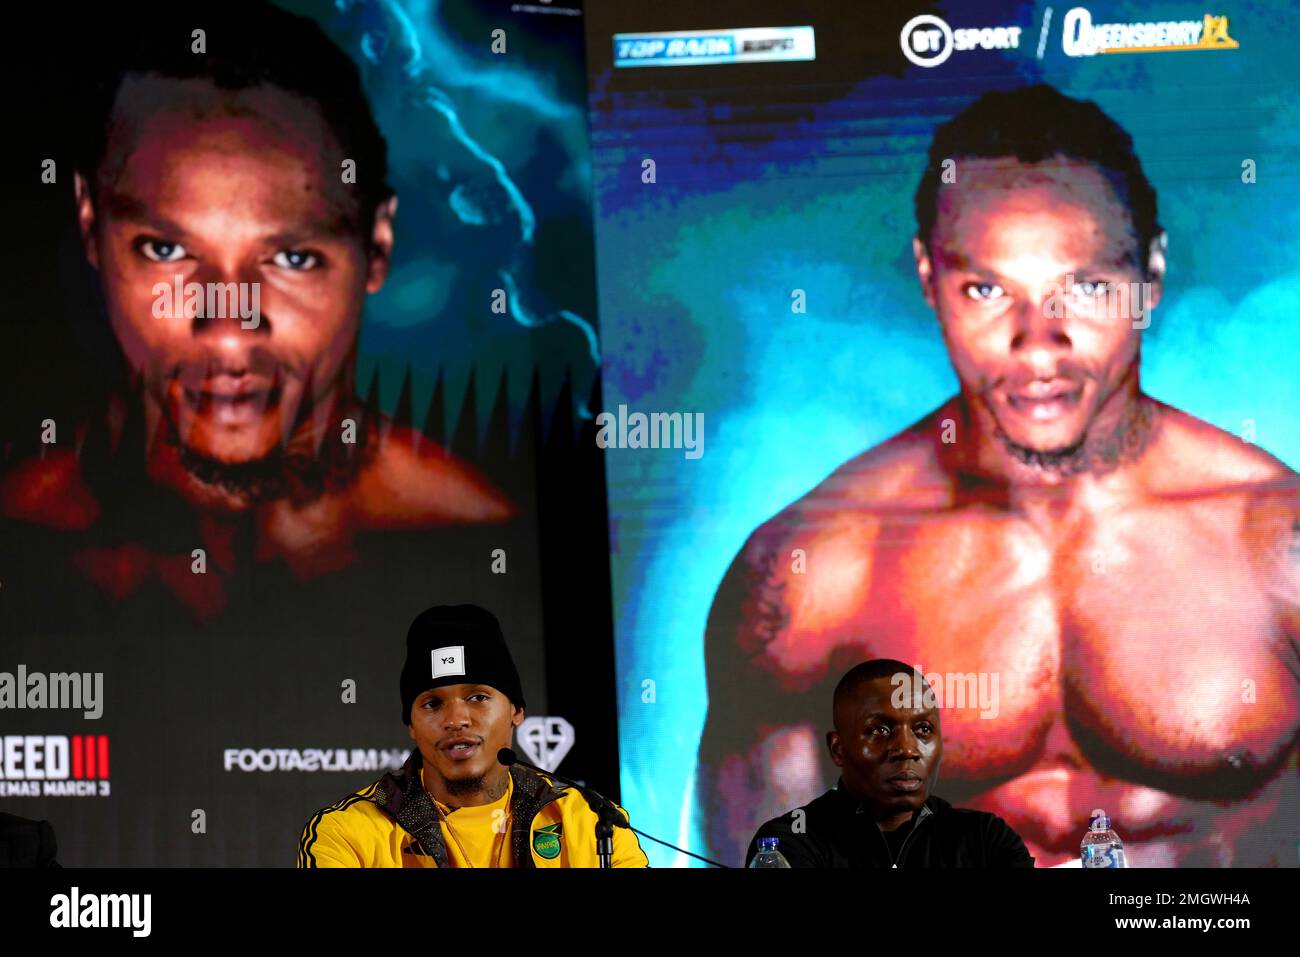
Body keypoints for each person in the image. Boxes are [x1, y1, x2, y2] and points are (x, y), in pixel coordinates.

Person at [702, 84, 1300, 867]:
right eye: (987, 290)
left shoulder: (1278, 542)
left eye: (1084, 288)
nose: (1037, 344)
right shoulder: (813, 569)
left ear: (1151, 274)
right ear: (926, 275)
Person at [1, 2, 512, 621]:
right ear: (90, 226)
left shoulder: (480, 542)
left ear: (376, 246)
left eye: (292, 258)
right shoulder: (24, 534)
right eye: (166, 249)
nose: (228, 330)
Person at [298, 605, 648, 868]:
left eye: (478, 697)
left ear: (516, 711)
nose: (456, 719)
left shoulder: (594, 822)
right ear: (411, 725)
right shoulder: (345, 834)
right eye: (433, 703)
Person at [747, 661, 1033, 868]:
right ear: (838, 749)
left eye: (922, 730)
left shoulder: (984, 838)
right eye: (880, 731)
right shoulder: (788, 842)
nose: (907, 750)